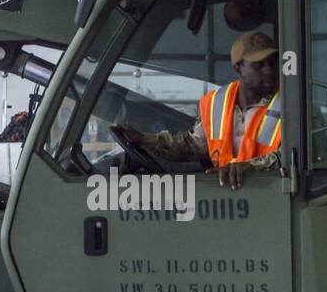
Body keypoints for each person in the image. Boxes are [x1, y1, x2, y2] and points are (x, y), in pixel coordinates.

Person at [113, 30, 282, 190]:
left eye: (272, 64)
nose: (269, 71)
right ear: (238, 68)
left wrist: (249, 167)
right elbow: (192, 147)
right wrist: (143, 139)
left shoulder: (289, 105)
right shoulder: (217, 103)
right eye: (259, 65)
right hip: (230, 202)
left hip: (271, 196)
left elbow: (292, 157)